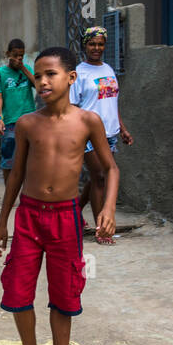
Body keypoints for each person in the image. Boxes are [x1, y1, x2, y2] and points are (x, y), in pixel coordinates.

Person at [0, 46, 119, 345]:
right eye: (39, 75)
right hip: (29, 217)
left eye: (51, 74)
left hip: (65, 220)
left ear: (71, 78)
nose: (43, 81)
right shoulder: (29, 124)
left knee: (64, 295)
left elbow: (108, 169)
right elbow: (16, 174)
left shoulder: (87, 122)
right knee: (17, 291)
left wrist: (107, 208)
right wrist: (3, 221)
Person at [70, 26, 132, 245]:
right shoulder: (79, 73)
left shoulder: (108, 69)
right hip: (88, 135)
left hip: (110, 134)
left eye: (100, 44)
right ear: (84, 45)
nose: (96, 48)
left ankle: (75, 210)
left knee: (99, 177)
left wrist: (122, 128)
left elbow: (111, 102)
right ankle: (101, 228)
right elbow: (72, 107)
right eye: (92, 44)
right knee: (100, 177)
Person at [0, 38, 37, 175]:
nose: (18, 58)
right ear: (8, 54)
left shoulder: (27, 69)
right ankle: (9, 193)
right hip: (10, 123)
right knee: (9, 161)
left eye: (21, 55)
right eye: (15, 55)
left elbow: (37, 86)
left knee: (30, 160)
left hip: (29, 121)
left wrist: (23, 67)